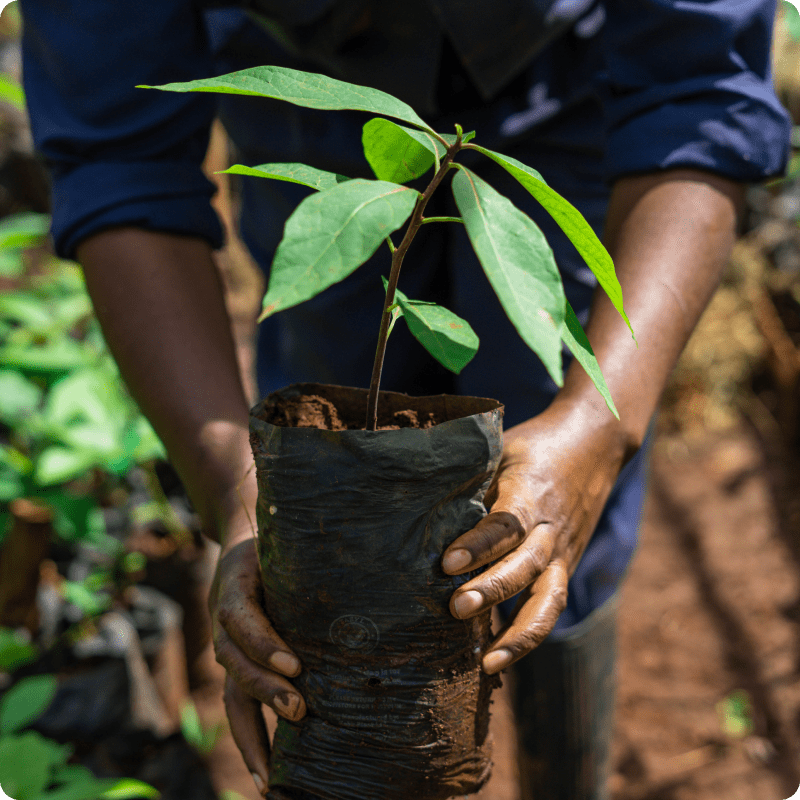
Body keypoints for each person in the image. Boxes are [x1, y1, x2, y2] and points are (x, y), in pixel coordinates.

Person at [18, 1, 790, 797]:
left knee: (545, 515)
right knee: (335, 494)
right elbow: (119, 153)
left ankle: (565, 766)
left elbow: (697, 89)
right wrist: (238, 496)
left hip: (571, 82)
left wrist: (603, 419)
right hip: (320, 101)